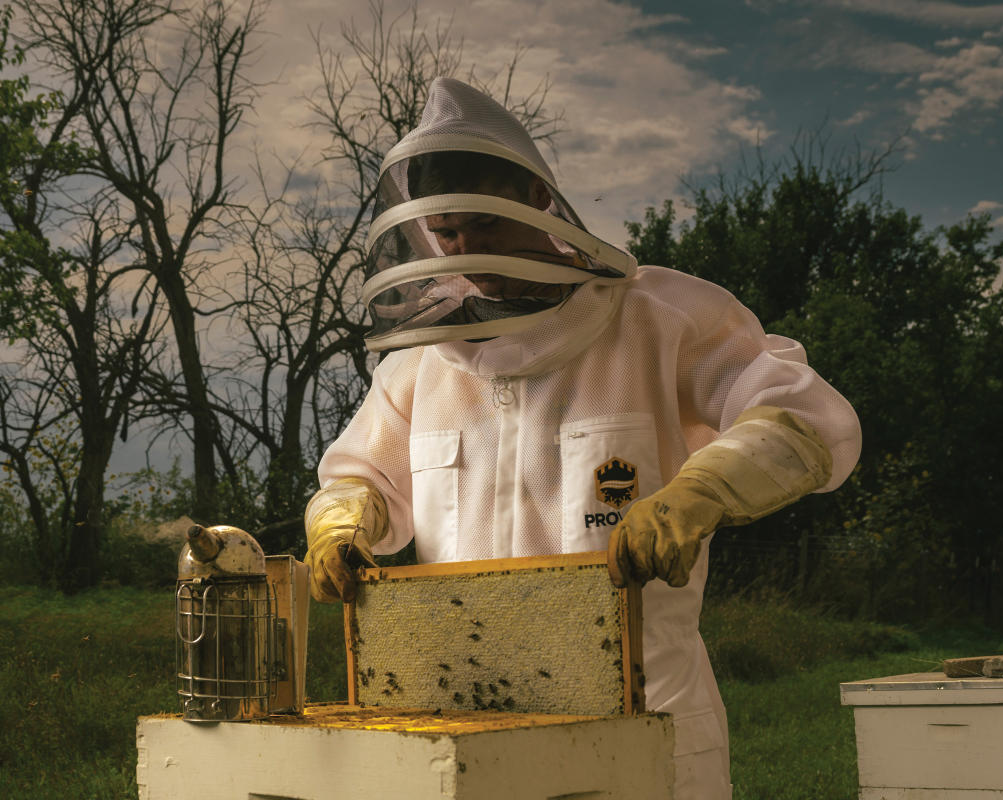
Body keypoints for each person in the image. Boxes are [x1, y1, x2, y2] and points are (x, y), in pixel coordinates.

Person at [302, 77, 862, 800]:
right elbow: (359, 479)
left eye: (485, 224)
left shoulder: (658, 318)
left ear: (537, 198)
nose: (468, 249)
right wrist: (341, 522)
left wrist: (703, 490)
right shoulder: (423, 364)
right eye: (448, 233)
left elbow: (809, 418)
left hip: (645, 705)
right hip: (467, 717)